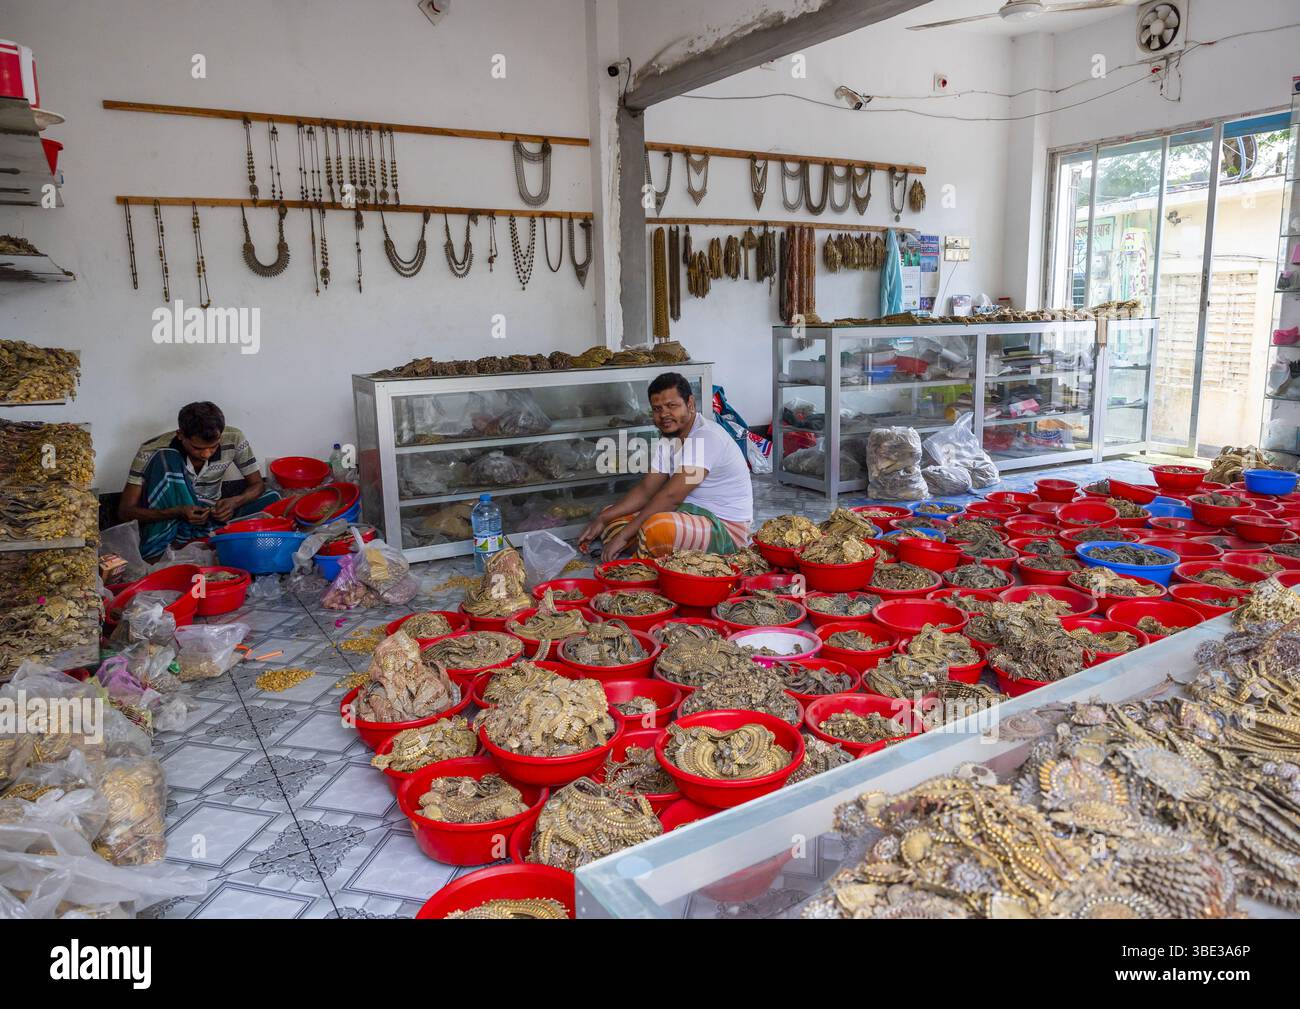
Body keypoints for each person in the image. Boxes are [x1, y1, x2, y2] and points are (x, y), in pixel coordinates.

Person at [578, 372, 753, 562]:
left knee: (656, 527)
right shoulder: (669, 438)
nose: (664, 415)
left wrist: (623, 536)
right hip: (687, 514)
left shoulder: (705, 437)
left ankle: (648, 554)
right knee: (614, 517)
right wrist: (603, 518)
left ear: (691, 404)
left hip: (724, 528)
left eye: (672, 406)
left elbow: (671, 497)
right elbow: (646, 490)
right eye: (657, 408)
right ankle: (657, 549)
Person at [118, 401, 280, 560]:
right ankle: (160, 551)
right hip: (171, 520)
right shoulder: (151, 450)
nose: (206, 454)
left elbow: (257, 484)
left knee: (274, 498)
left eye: (213, 447)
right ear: (180, 435)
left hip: (212, 516)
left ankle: (205, 537)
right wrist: (177, 511)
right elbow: (125, 512)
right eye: (197, 448)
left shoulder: (234, 438)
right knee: (165, 457)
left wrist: (234, 502)